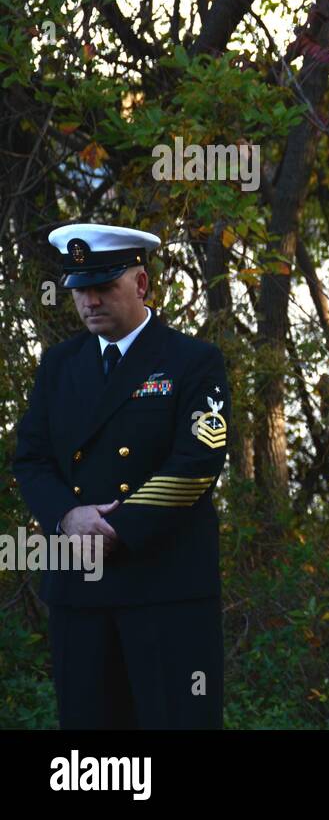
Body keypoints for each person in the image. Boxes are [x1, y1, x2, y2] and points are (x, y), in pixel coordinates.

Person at [14, 223, 229, 727]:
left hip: (165, 584)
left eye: (103, 286)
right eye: (80, 289)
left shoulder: (193, 361)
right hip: (80, 588)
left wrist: (117, 528)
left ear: (142, 284)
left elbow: (197, 463)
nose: (89, 300)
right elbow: (31, 458)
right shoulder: (59, 364)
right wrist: (68, 518)